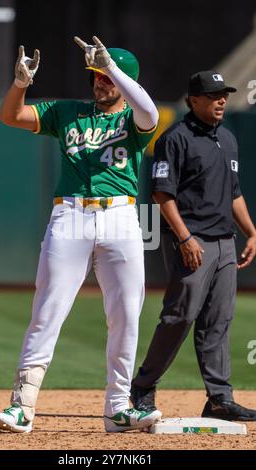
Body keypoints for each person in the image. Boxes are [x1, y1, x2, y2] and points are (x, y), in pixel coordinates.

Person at [0, 36, 162, 433]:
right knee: (47, 310)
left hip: (120, 216)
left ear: (125, 81)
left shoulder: (133, 120)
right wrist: (20, 84)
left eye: (106, 78)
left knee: (125, 315)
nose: (99, 84)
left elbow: (150, 111)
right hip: (70, 215)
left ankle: (119, 408)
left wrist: (114, 68)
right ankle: (22, 406)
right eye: (96, 77)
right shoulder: (68, 112)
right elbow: (10, 117)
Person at [130, 70, 256, 421]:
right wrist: (184, 238)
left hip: (224, 243)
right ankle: (142, 386)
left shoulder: (227, 139)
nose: (221, 101)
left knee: (219, 320)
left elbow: (234, 193)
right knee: (179, 316)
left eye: (224, 95)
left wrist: (252, 232)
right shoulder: (176, 138)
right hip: (193, 241)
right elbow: (161, 193)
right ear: (194, 100)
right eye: (214, 95)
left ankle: (219, 399)